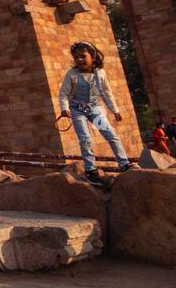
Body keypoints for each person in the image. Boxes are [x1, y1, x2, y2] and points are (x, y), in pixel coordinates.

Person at [56, 41, 132, 185]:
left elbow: (107, 93)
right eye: (76, 57)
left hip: (94, 110)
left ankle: (124, 163)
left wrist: (115, 110)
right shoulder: (72, 74)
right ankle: (91, 170)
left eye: (83, 56)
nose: (79, 60)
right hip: (77, 111)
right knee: (86, 139)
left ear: (93, 57)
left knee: (111, 135)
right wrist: (64, 108)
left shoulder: (100, 74)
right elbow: (64, 93)